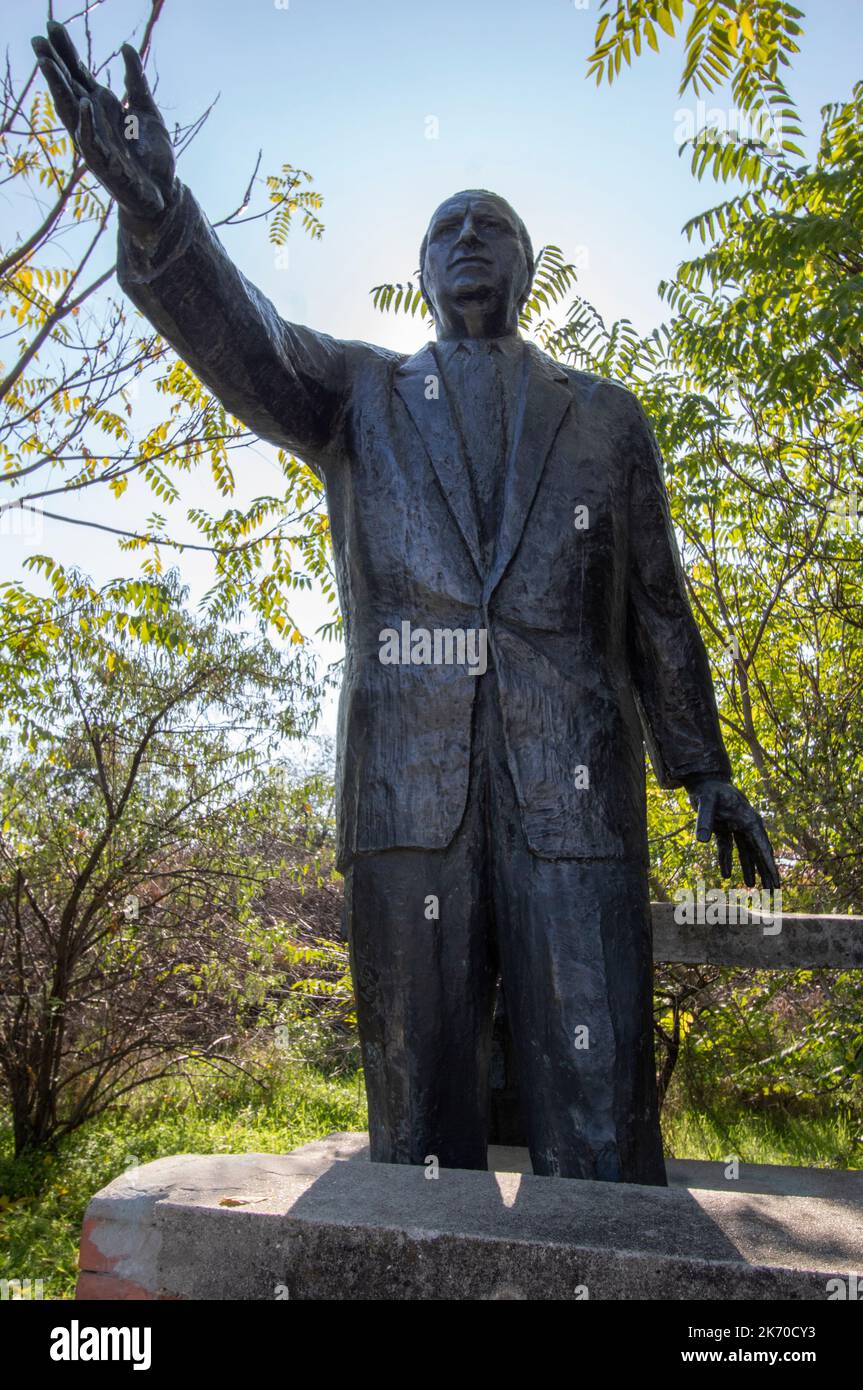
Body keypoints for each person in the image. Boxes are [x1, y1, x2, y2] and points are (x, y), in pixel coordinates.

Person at [33, 23, 779, 1184]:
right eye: (445, 229)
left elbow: (656, 608)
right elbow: (251, 342)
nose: (467, 240)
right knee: (415, 1141)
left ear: (528, 272)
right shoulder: (357, 397)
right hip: (405, 798)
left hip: (575, 798)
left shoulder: (604, 419)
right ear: (421, 272)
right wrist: (161, 216)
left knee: (599, 1120)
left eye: (492, 229)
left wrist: (704, 770)